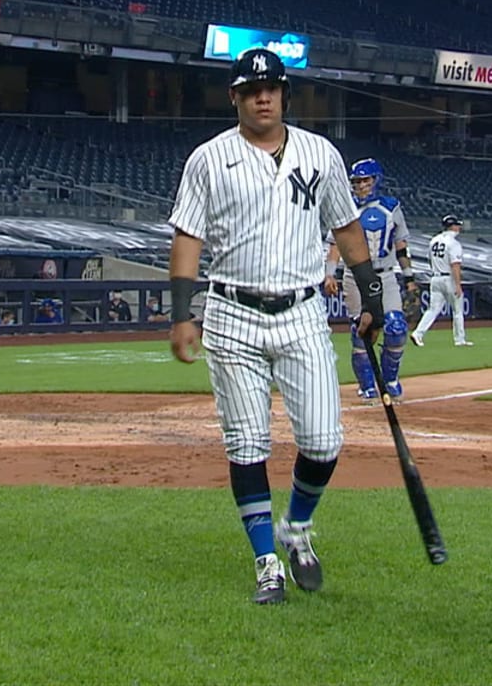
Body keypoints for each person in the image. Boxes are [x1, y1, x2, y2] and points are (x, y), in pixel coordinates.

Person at [167, 46, 384, 606]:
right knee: (247, 445)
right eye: (251, 89)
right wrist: (181, 312)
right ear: (235, 96)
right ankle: (267, 560)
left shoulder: (320, 154)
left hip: (303, 312)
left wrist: (372, 292)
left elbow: (346, 225)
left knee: (324, 441)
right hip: (232, 311)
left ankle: (297, 526)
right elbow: (187, 237)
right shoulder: (208, 159)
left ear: (285, 93)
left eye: (272, 87)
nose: (263, 96)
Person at [322, 157, 417, 403]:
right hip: (356, 276)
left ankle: (389, 381)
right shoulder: (346, 207)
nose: (360, 185)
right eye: (356, 181)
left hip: (385, 274)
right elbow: (335, 244)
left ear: (376, 180)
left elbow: (401, 244)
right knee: (361, 331)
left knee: (396, 328)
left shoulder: (391, 207)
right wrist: (330, 273)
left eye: (365, 180)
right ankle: (367, 386)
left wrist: (409, 277)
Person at [411, 214, 473, 348]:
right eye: (457, 225)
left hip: (435, 277)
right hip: (448, 278)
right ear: (453, 226)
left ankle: (418, 333)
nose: (459, 228)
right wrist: (458, 285)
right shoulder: (454, 243)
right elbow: (455, 265)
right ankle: (459, 339)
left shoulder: (434, 240)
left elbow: (430, 259)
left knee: (432, 309)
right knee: (457, 310)